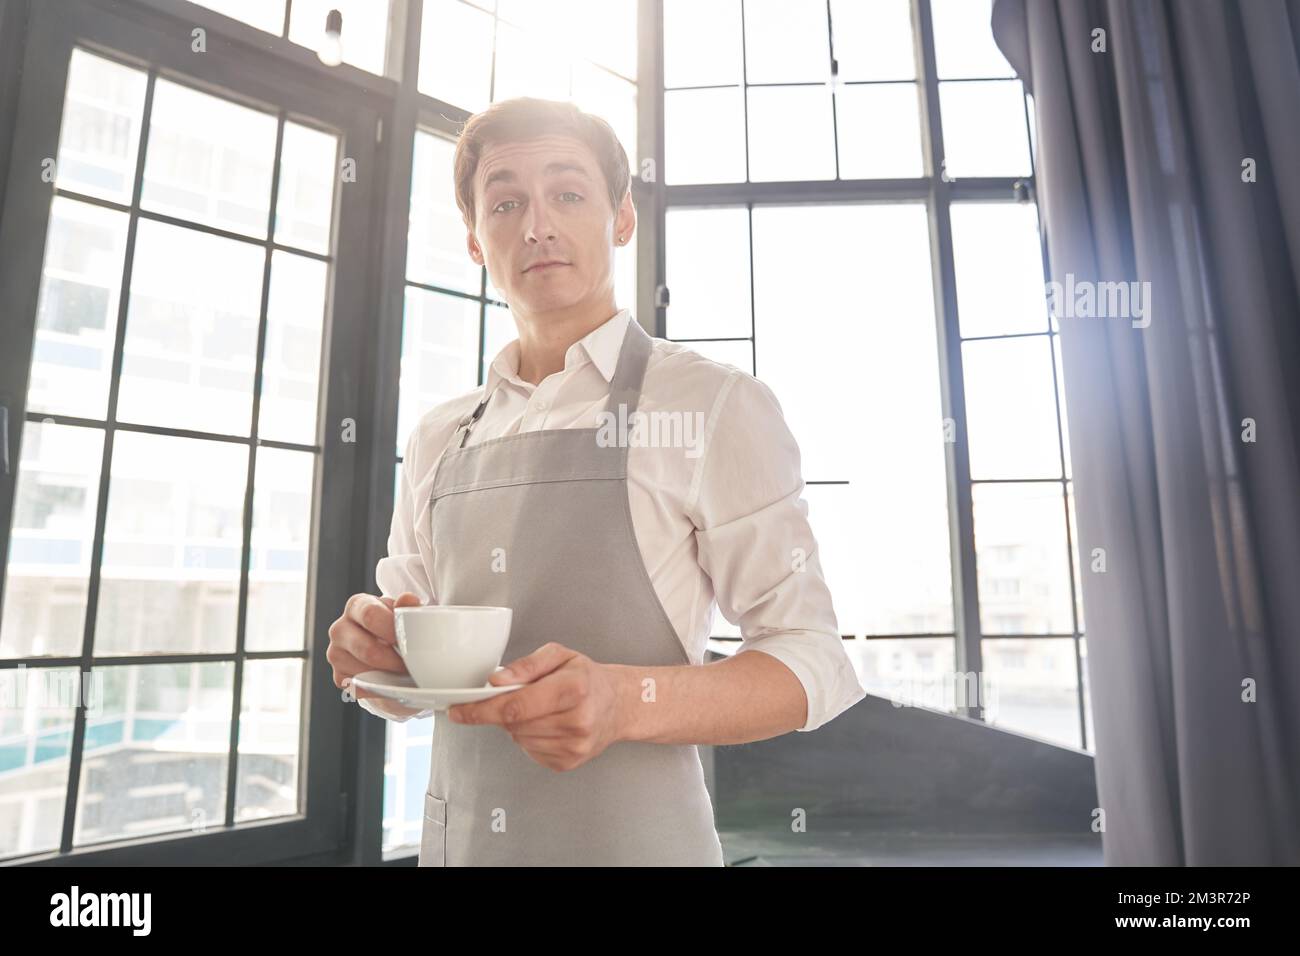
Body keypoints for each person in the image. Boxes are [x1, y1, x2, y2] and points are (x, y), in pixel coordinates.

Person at [327, 97, 866, 866]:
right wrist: (373, 654)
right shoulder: (440, 435)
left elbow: (810, 661)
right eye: (505, 201)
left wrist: (625, 702)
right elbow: (411, 671)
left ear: (622, 218)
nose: (537, 224)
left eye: (568, 193)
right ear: (477, 241)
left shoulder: (711, 406)